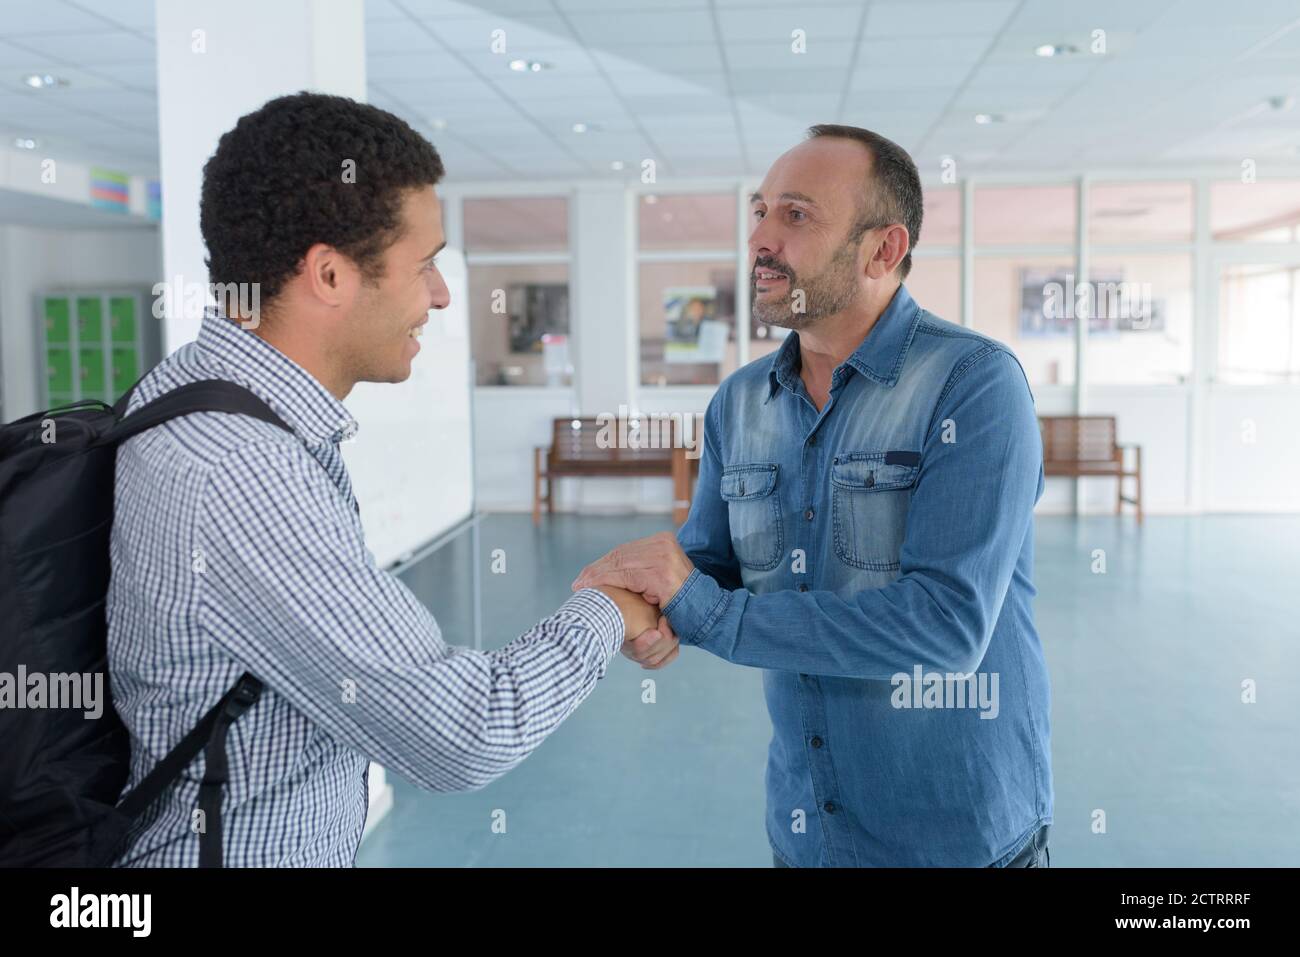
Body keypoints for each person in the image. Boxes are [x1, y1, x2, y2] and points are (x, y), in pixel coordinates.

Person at [107, 92, 665, 867]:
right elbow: (463, 732)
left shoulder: (192, 391)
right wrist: (607, 609)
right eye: (425, 265)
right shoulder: (238, 472)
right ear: (330, 274)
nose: (440, 294)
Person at [574, 124, 1053, 868]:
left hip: (958, 838)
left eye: (795, 215)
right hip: (808, 832)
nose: (761, 238)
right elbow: (713, 560)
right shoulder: (740, 401)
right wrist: (648, 602)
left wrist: (702, 610)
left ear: (882, 249)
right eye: (760, 211)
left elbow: (946, 628)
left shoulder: (974, 385)